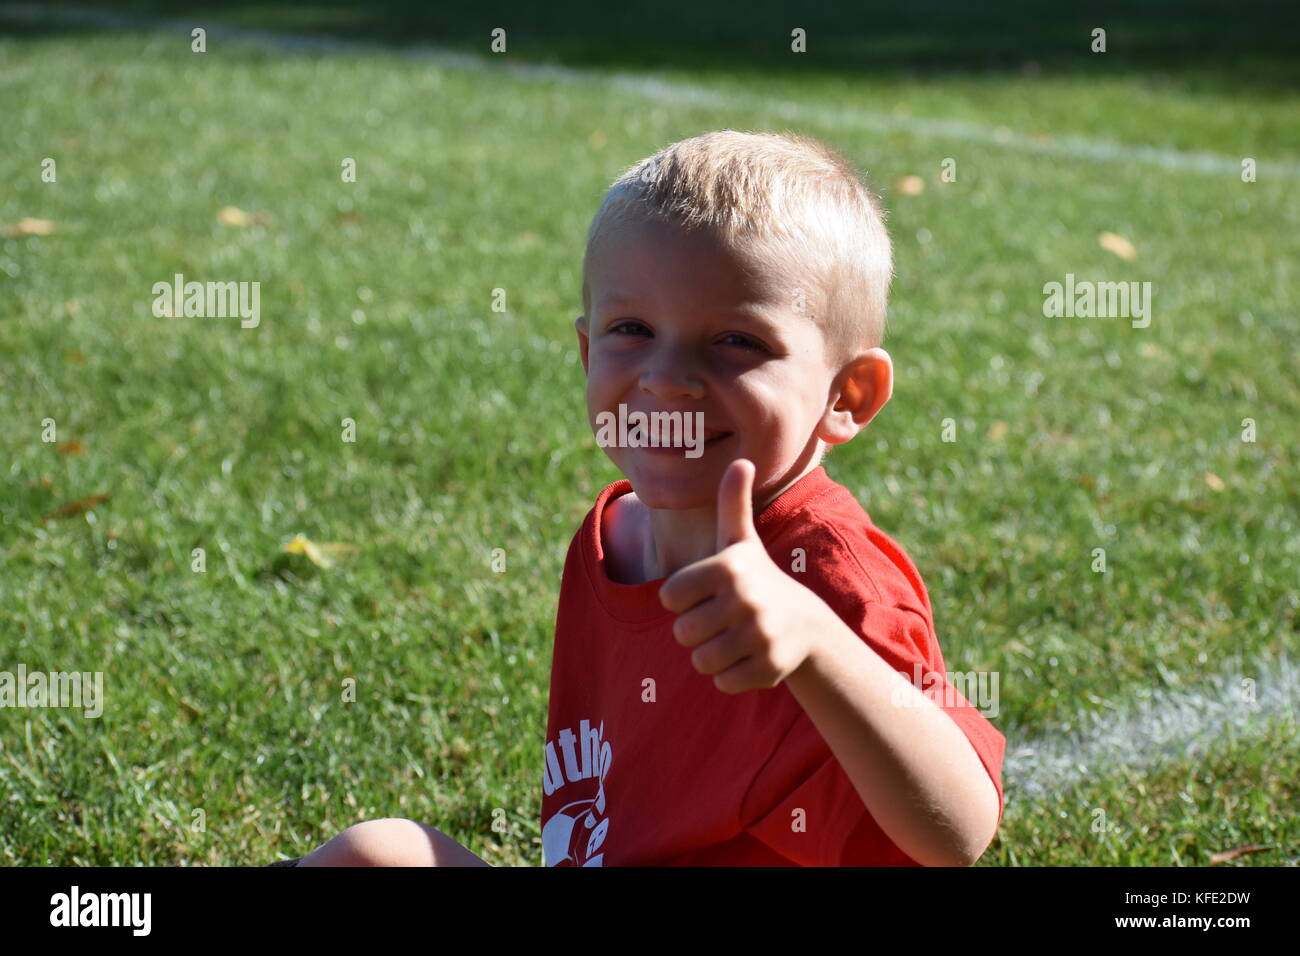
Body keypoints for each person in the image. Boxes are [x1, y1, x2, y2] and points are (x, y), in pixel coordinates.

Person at [269, 129, 1005, 868]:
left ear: (849, 394)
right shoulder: (612, 536)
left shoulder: (828, 576)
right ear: (589, 353)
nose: (667, 377)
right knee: (380, 853)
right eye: (633, 330)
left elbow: (959, 831)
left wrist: (814, 639)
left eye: (738, 342)